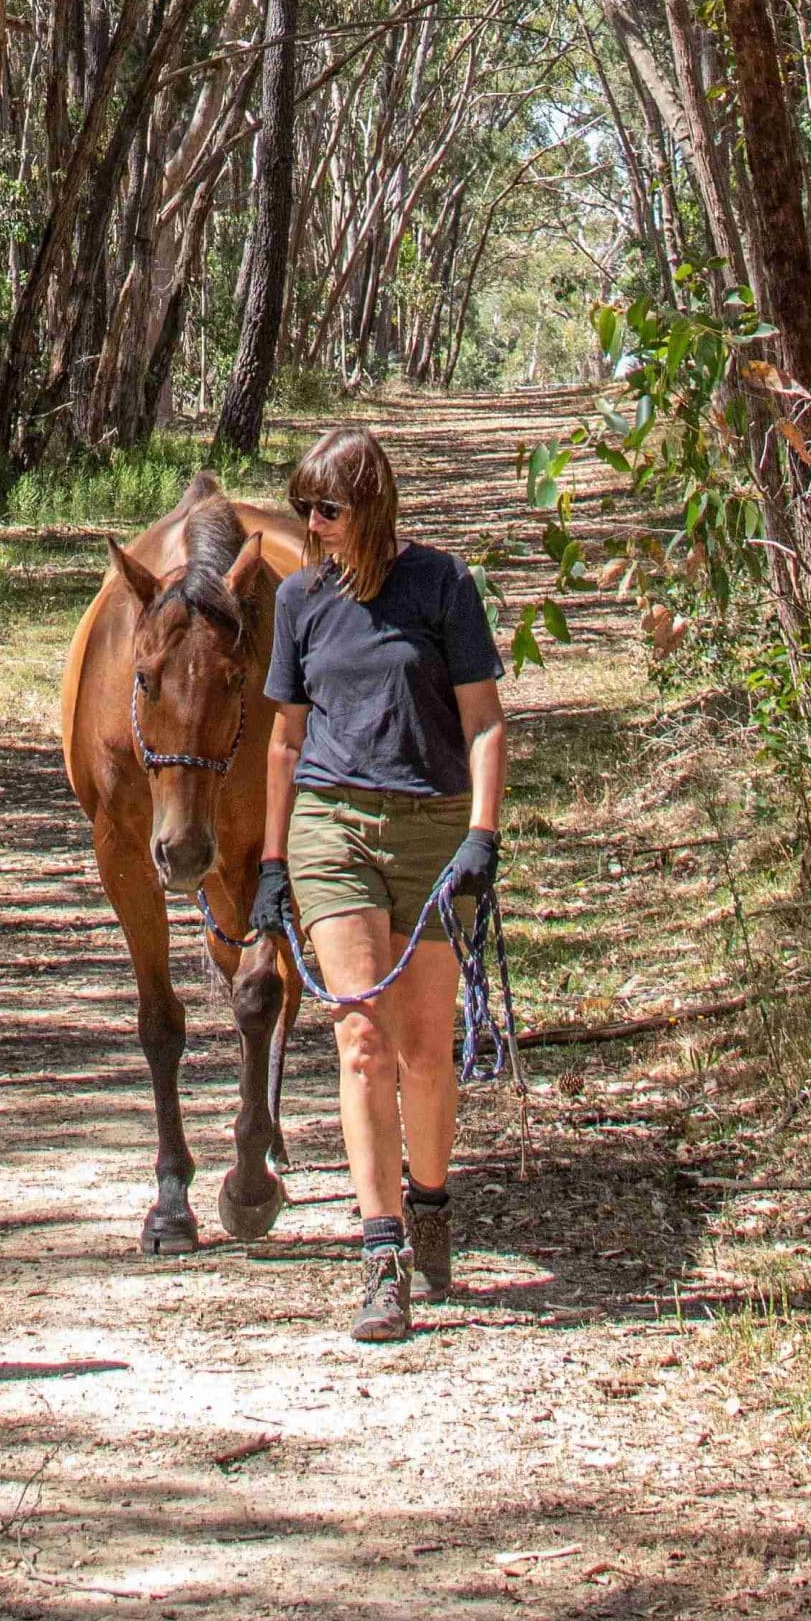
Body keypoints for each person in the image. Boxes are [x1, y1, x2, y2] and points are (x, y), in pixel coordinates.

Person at [249, 427, 507, 1342]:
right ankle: (381, 1253)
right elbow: (285, 739)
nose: (313, 525)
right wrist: (272, 865)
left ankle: (430, 1202)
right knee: (360, 1037)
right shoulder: (299, 600)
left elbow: (484, 722)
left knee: (425, 1049)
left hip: (433, 827)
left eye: (329, 509)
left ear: (372, 506)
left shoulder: (441, 585)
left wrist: (481, 835)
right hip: (332, 826)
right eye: (304, 509)